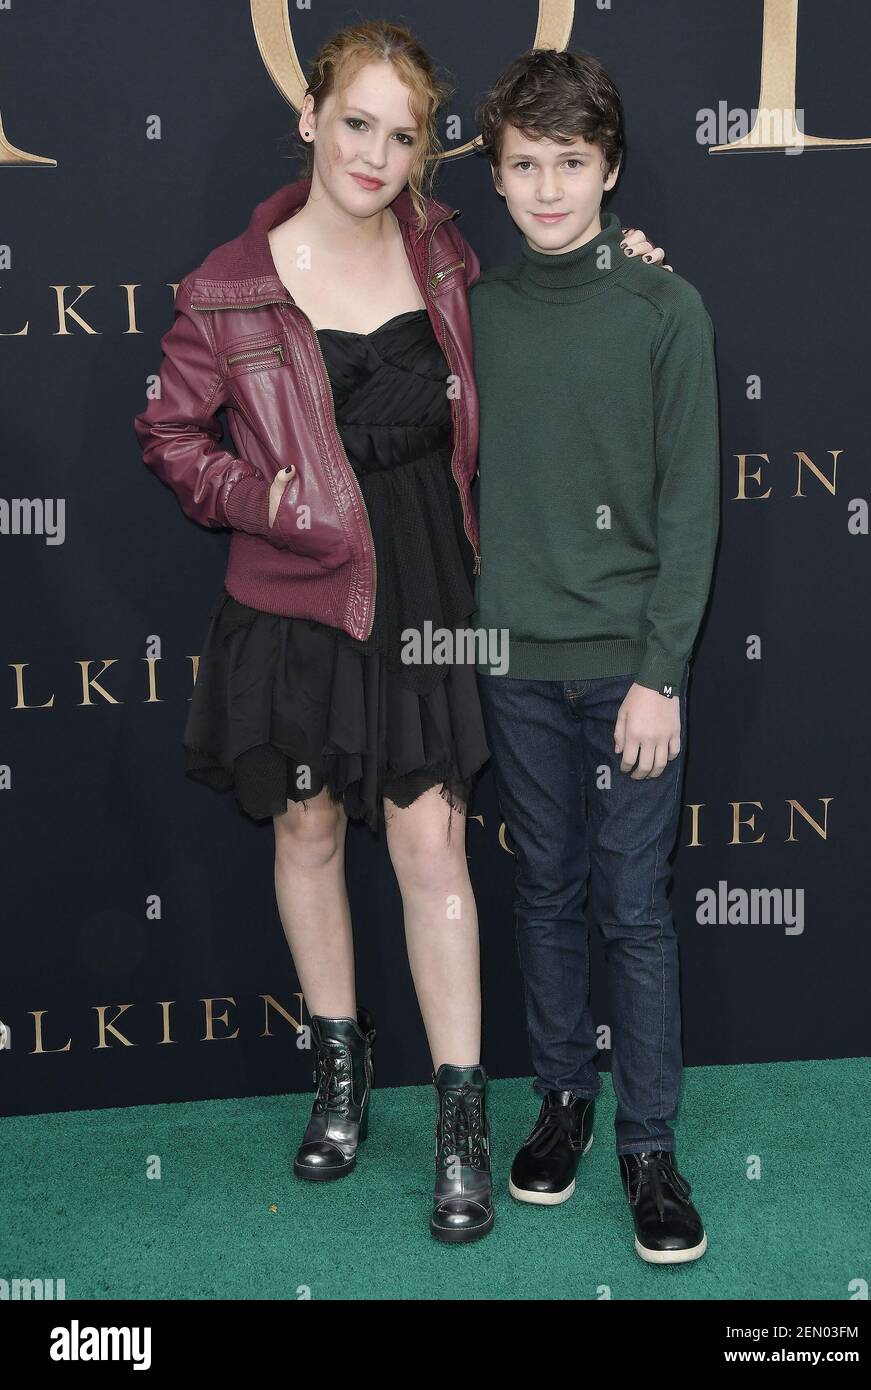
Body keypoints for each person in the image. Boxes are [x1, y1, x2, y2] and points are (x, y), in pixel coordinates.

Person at [134, 20, 665, 1245]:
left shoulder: (448, 256)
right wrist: (256, 497)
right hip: (293, 592)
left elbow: (557, 296)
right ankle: (338, 1073)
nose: (375, 151)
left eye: (405, 133)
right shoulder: (229, 283)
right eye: (356, 122)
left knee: (435, 843)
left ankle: (461, 1120)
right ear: (311, 119)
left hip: (431, 587)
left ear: (429, 153)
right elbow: (169, 436)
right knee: (310, 825)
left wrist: (629, 255)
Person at [468, 48, 720, 1263]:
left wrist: (662, 672)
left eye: (571, 163)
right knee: (547, 892)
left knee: (634, 906)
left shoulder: (664, 308)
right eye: (525, 165)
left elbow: (689, 510)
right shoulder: (469, 312)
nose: (550, 188)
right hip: (512, 660)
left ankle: (649, 1146)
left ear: (610, 169)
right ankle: (563, 1099)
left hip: (632, 673)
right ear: (497, 178)